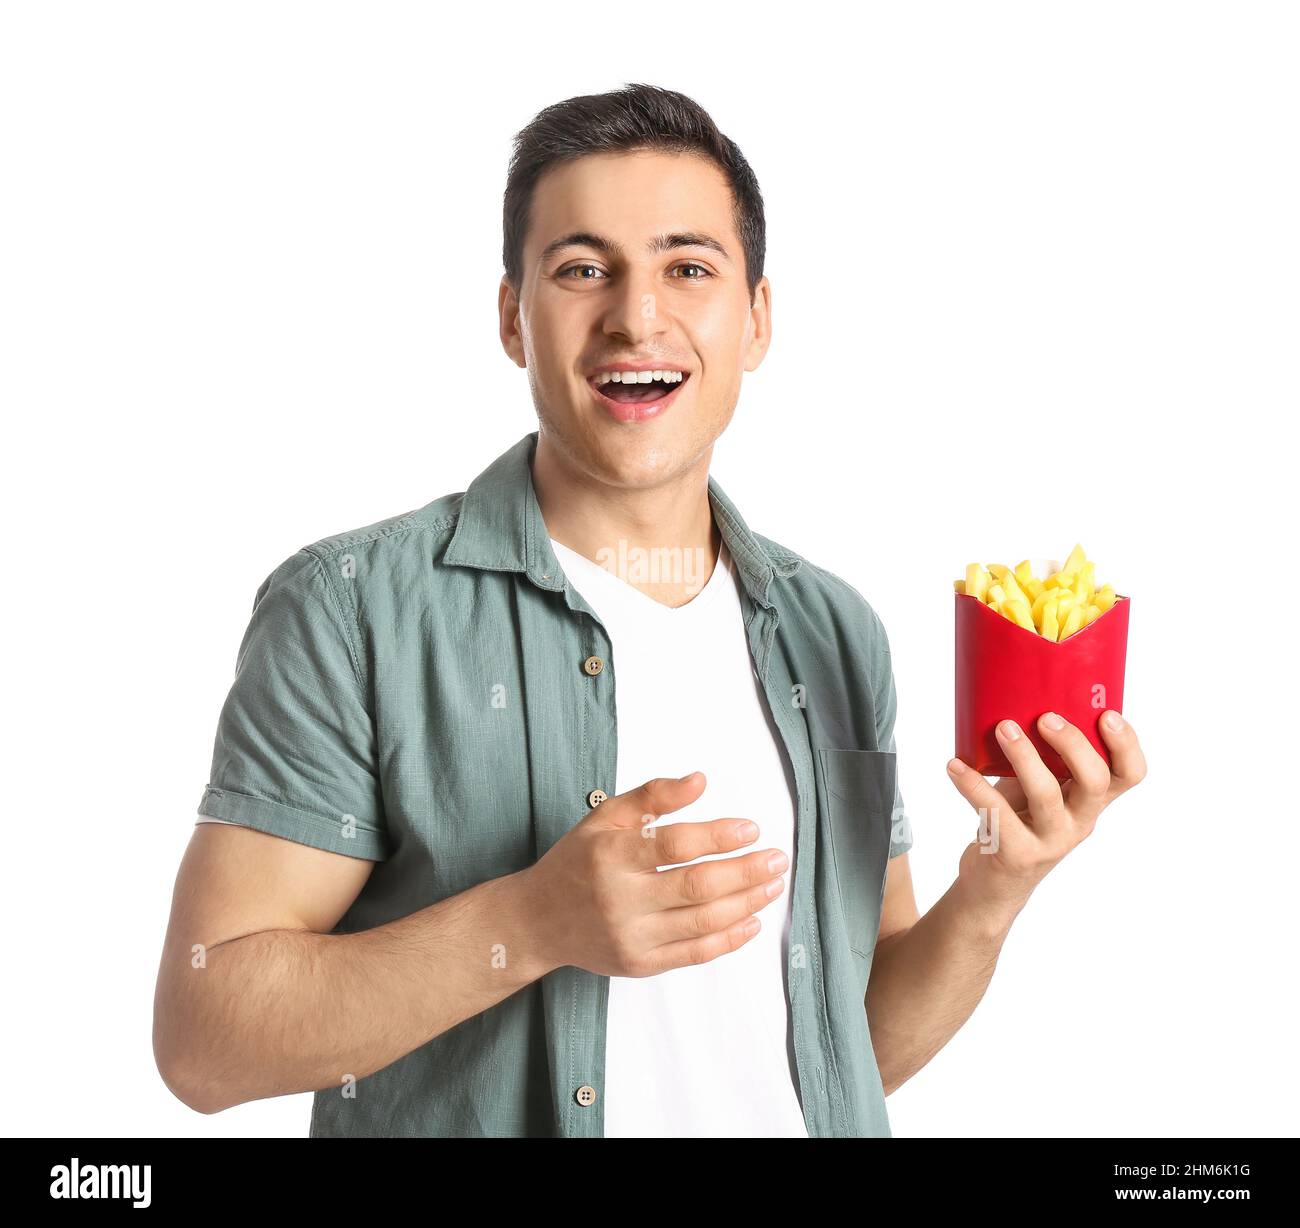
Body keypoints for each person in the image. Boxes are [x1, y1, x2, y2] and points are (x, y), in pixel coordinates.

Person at [153, 82, 1147, 1138]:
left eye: (688, 267)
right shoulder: (352, 612)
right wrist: (532, 922)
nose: (636, 315)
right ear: (510, 316)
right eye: (582, 269)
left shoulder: (833, 633)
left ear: (757, 318)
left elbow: (847, 1048)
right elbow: (205, 1040)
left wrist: (999, 884)